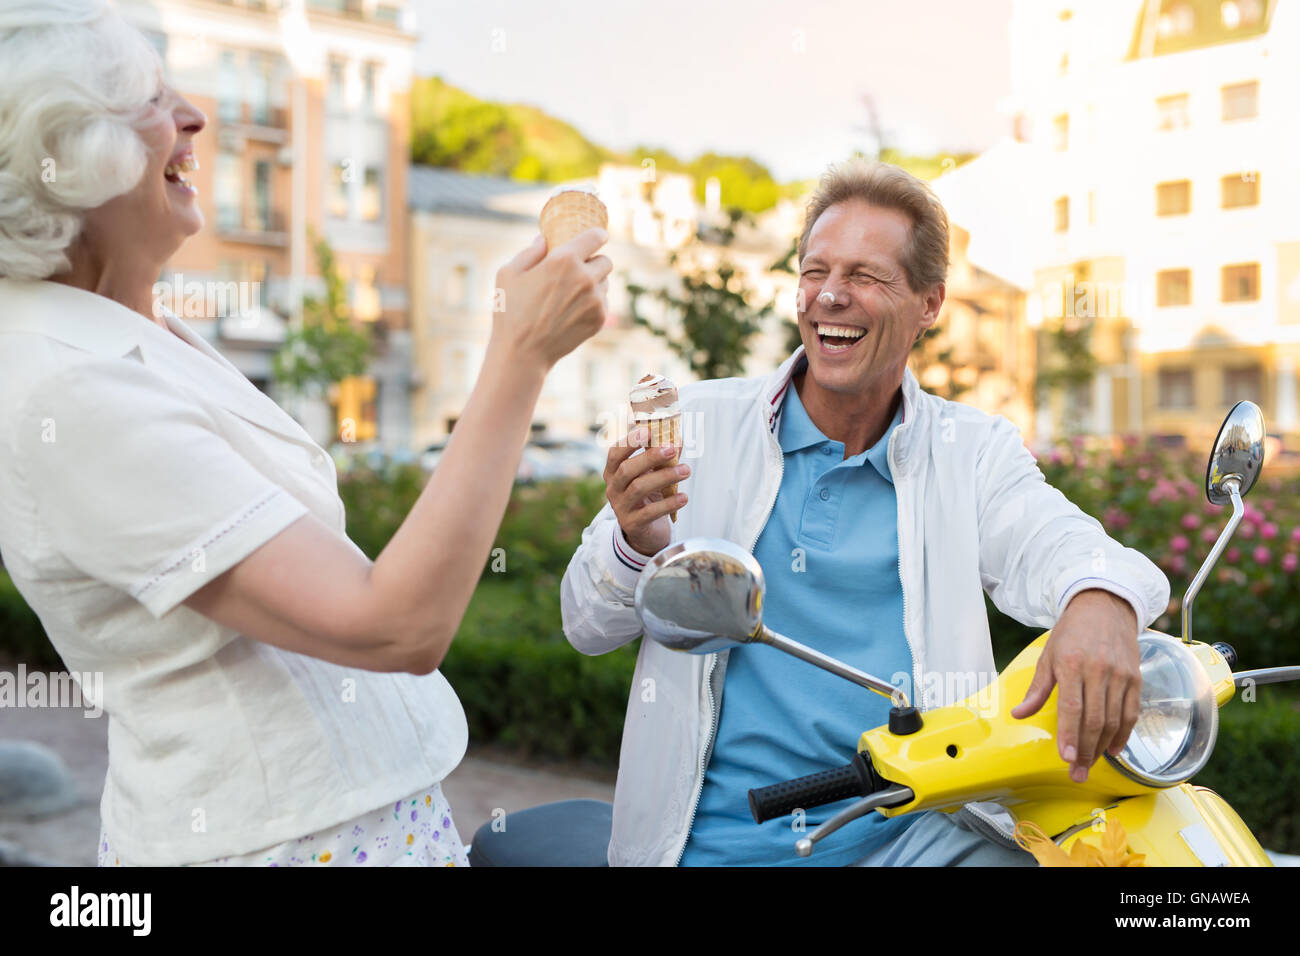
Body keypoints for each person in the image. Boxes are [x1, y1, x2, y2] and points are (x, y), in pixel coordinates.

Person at [0, 0, 610, 866]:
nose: (193, 116)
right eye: (145, 97)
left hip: (357, 825)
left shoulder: (130, 329)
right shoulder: (69, 387)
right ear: (57, 153)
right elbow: (394, 625)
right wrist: (519, 356)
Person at [560, 159, 1170, 867]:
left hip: (915, 838)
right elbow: (586, 625)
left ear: (929, 304)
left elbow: (1056, 541)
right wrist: (636, 542)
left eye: (866, 276)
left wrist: (1101, 596)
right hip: (710, 847)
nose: (830, 296)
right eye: (814, 272)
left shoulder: (969, 450)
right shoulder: (696, 425)